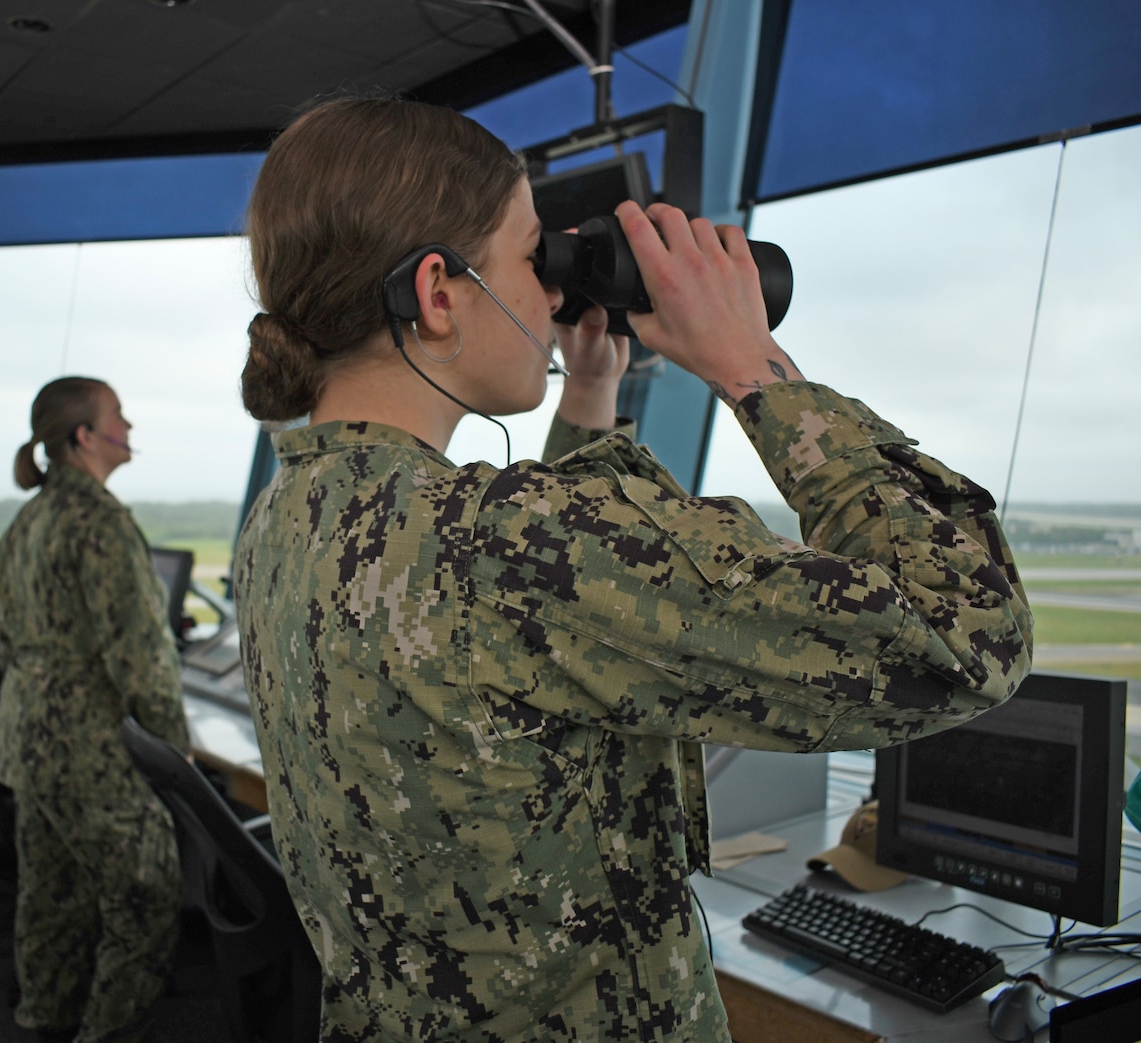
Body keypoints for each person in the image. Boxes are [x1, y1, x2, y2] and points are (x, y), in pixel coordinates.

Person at [232, 97, 1034, 1042]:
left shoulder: (290, 510)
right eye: (537, 258)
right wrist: (750, 362)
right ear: (440, 295)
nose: (551, 291)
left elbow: (523, 646)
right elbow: (967, 633)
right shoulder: (507, 545)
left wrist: (590, 391)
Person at [0, 376, 188, 1043]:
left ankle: (45, 1015)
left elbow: (11, 631)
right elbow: (140, 654)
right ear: (85, 436)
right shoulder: (101, 522)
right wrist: (175, 747)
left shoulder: (28, 519)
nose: (129, 427)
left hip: (27, 734)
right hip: (88, 746)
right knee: (146, 898)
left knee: (51, 893)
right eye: (118, 416)